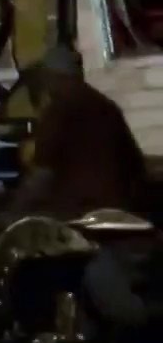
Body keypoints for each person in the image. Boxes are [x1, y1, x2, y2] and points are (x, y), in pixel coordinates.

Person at [10, 45, 148, 219]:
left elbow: (42, 172)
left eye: (44, 76)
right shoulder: (105, 105)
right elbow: (135, 163)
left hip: (80, 209)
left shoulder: (60, 110)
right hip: (119, 208)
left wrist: (17, 210)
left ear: (53, 75)